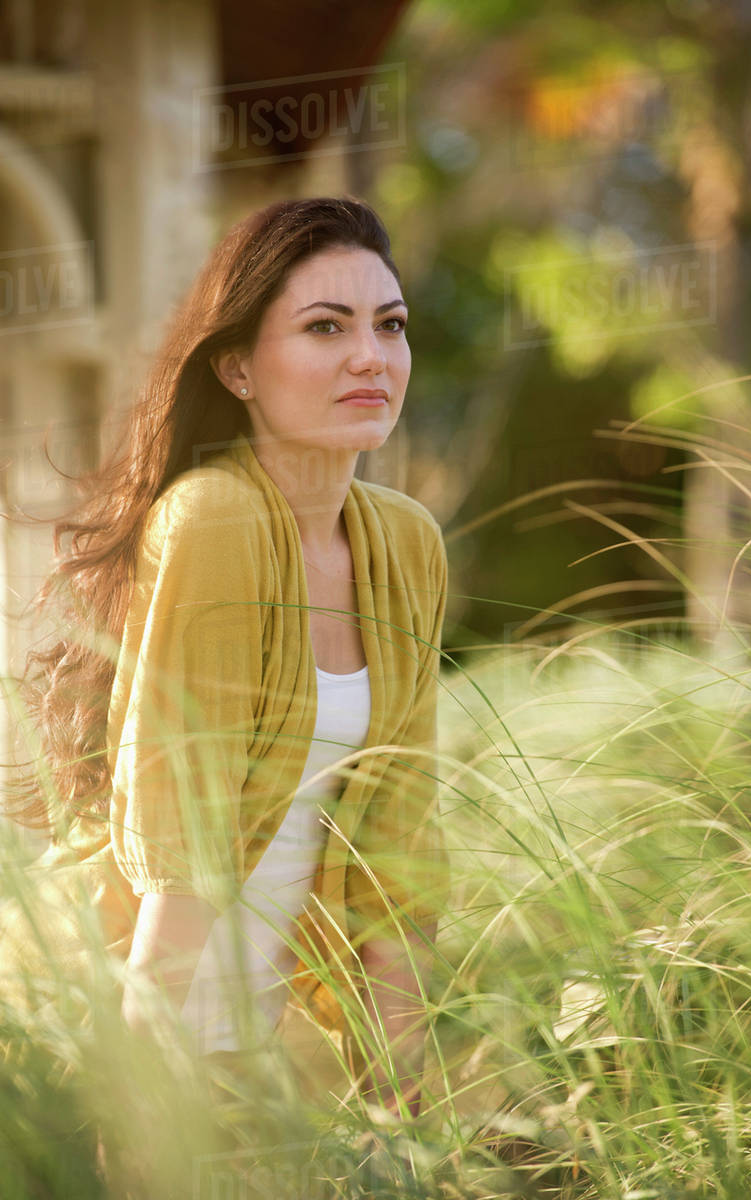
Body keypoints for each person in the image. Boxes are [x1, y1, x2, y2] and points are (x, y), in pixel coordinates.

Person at [0, 196, 451, 1120]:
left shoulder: (406, 544)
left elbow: (399, 841)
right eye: (326, 326)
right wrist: (137, 1127)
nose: (371, 355)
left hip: (286, 1049)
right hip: (147, 1029)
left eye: (390, 324)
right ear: (238, 367)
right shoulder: (214, 518)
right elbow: (181, 832)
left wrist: (407, 1110)